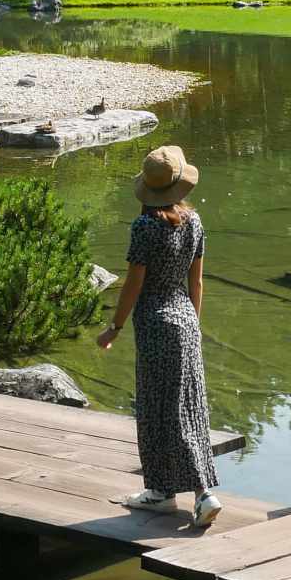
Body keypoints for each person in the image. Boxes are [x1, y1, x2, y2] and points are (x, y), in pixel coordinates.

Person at [97, 143, 223, 527]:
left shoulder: (145, 227)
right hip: (186, 319)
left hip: (155, 324)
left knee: (157, 409)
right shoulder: (195, 222)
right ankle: (179, 491)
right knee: (190, 407)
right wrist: (194, 324)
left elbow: (134, 284)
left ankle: (185, 493)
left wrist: (114, 328)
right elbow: (196, 281)